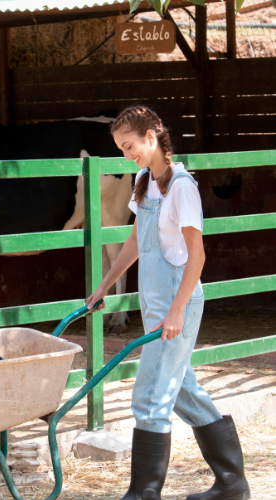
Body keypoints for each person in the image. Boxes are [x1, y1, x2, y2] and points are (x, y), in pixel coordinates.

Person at [86, 106, 250, 500]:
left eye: (129, 147)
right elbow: (136, 241)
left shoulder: (181, 187)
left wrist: (176, 309)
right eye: (121, 150)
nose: (127, 157)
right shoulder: (145, 180)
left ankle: (144, 492)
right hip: (155, 302)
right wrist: (105, 285)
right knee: (181, 389)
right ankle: (232, 483)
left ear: (152, 138)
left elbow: (197, 255)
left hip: (179, 301)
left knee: (151, 395)